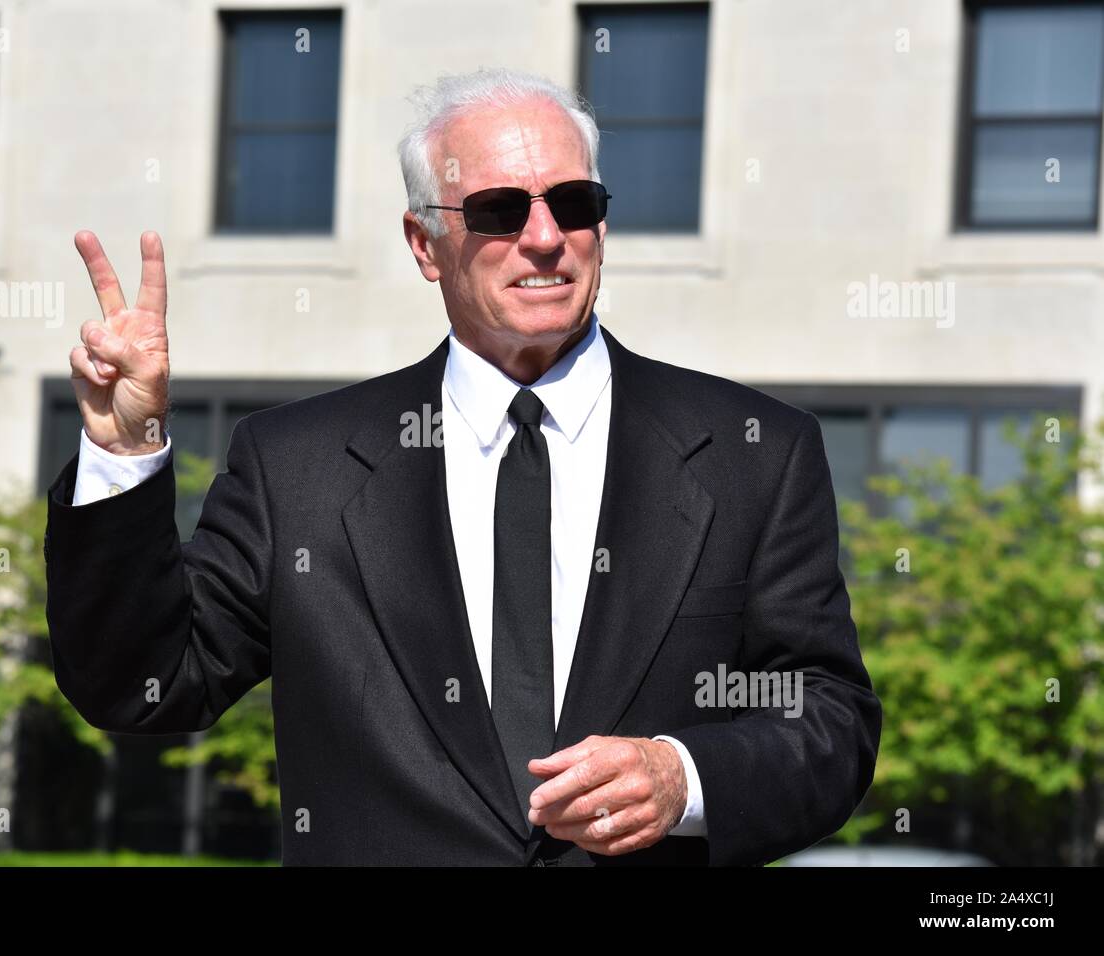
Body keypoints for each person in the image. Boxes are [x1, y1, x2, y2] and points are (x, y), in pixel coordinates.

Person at [45, 67, 881, 866]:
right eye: (499, 209)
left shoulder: (755, 452)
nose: (546, 238)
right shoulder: (296, 467)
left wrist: (684, 777)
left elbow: (831, 723)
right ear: (425, 242)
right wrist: (124, 450)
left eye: (574, 203)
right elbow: (144, 684)